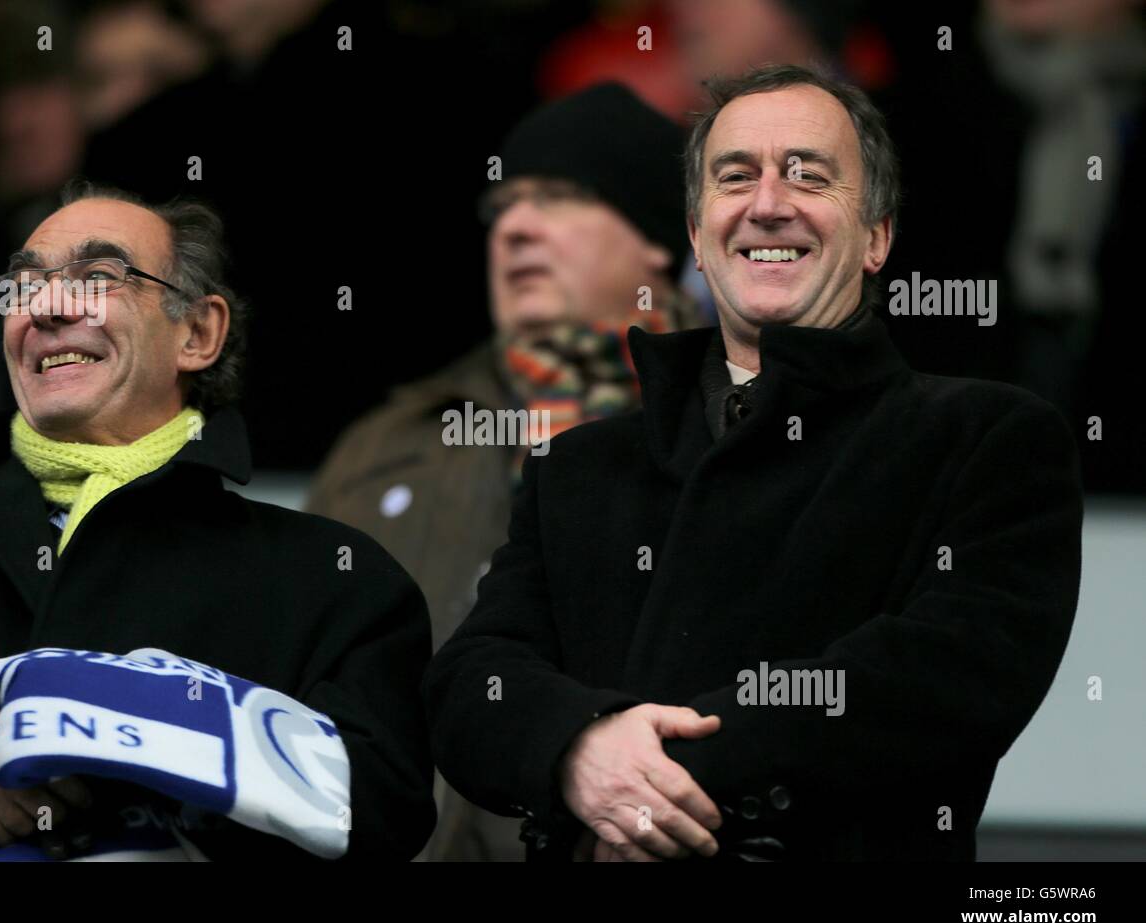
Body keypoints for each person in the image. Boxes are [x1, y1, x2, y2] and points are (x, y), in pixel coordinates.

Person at [424, 64, 1083, 862]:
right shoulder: (582, 463)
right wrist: (580, 746)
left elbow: (944, 678)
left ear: (877, 236)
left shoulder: (985, 438)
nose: (768, 203)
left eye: (807, 174)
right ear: (698, 238)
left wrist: (654, 775)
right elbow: (473, 680)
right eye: (736, 177)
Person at [0, 180, 435, 861]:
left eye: (98, 277)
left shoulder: (333, 577)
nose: (49, 307)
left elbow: (384, 815)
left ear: (198, 332)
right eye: (22, 286)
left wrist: (153, 739)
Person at [306, 83, 702, 860]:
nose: (515, 227)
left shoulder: (724, 428)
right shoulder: (389, 439)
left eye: (557, 198)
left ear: (659, 239)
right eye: (503, 207)